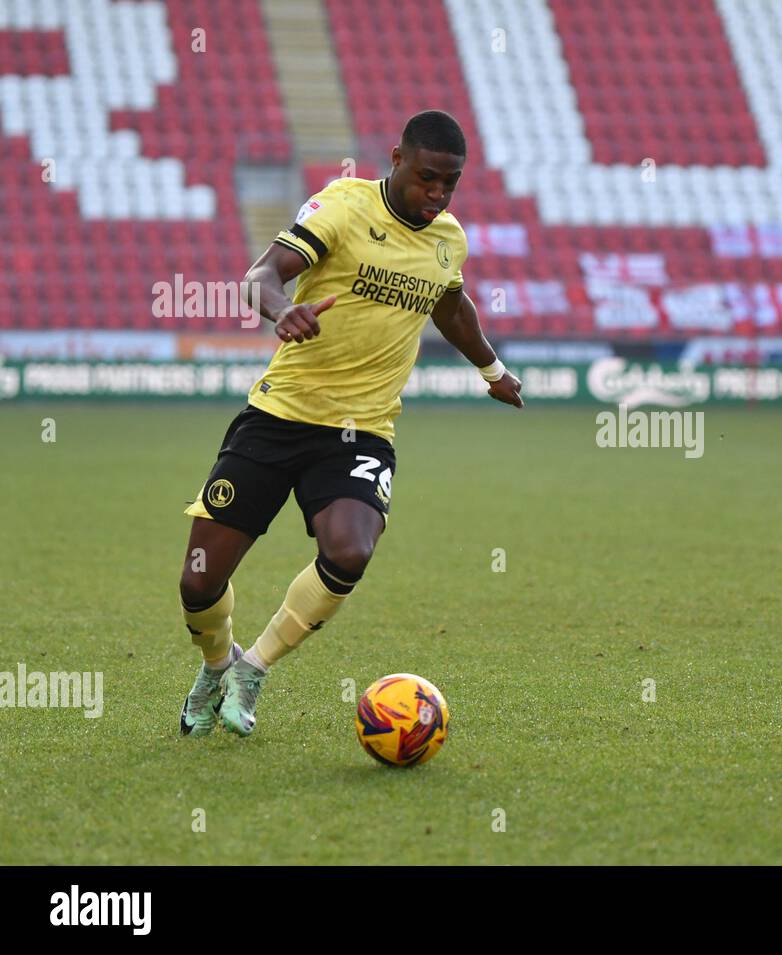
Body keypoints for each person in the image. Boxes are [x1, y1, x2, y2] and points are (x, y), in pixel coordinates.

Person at [177, 110, 523, 737]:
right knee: (199, 582)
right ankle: (214, 665)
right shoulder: (341, 206)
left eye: (450, 183)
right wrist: (283, 310)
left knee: (350, 549)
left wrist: (492, 369)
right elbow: (260, 276)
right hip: (279, 416)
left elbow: (451, 305)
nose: (436, 195)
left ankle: (253, 670)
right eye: (425, 179)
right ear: (395, 158)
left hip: (361, 431)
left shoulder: (448, 238)